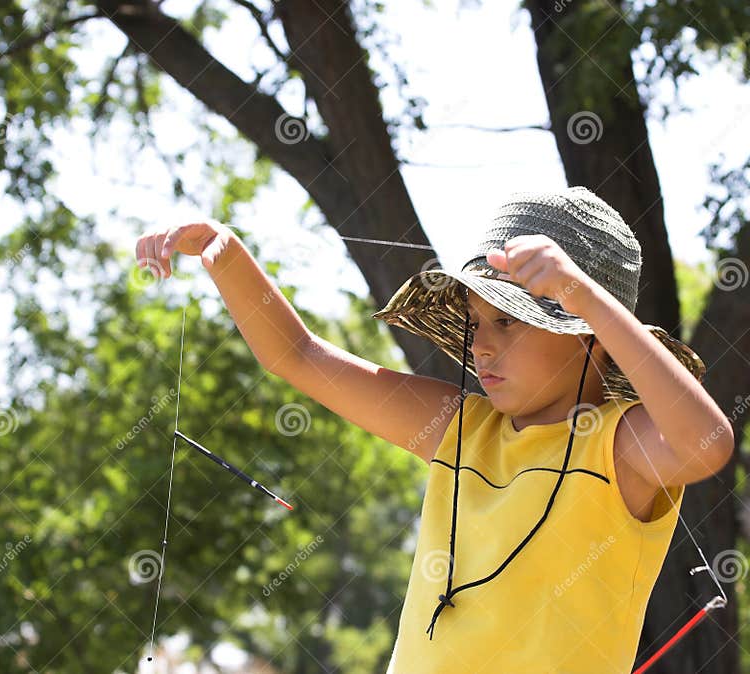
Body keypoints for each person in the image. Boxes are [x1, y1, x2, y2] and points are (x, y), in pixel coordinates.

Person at [135, 186, 734, 673]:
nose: (482, 346)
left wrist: (590, 298)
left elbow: (707, 444)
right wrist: (222, 250)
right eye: (476, 321)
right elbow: (299, 356)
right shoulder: (461, 426)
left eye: (508, 320)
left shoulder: (619, 444)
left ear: (589, 336)